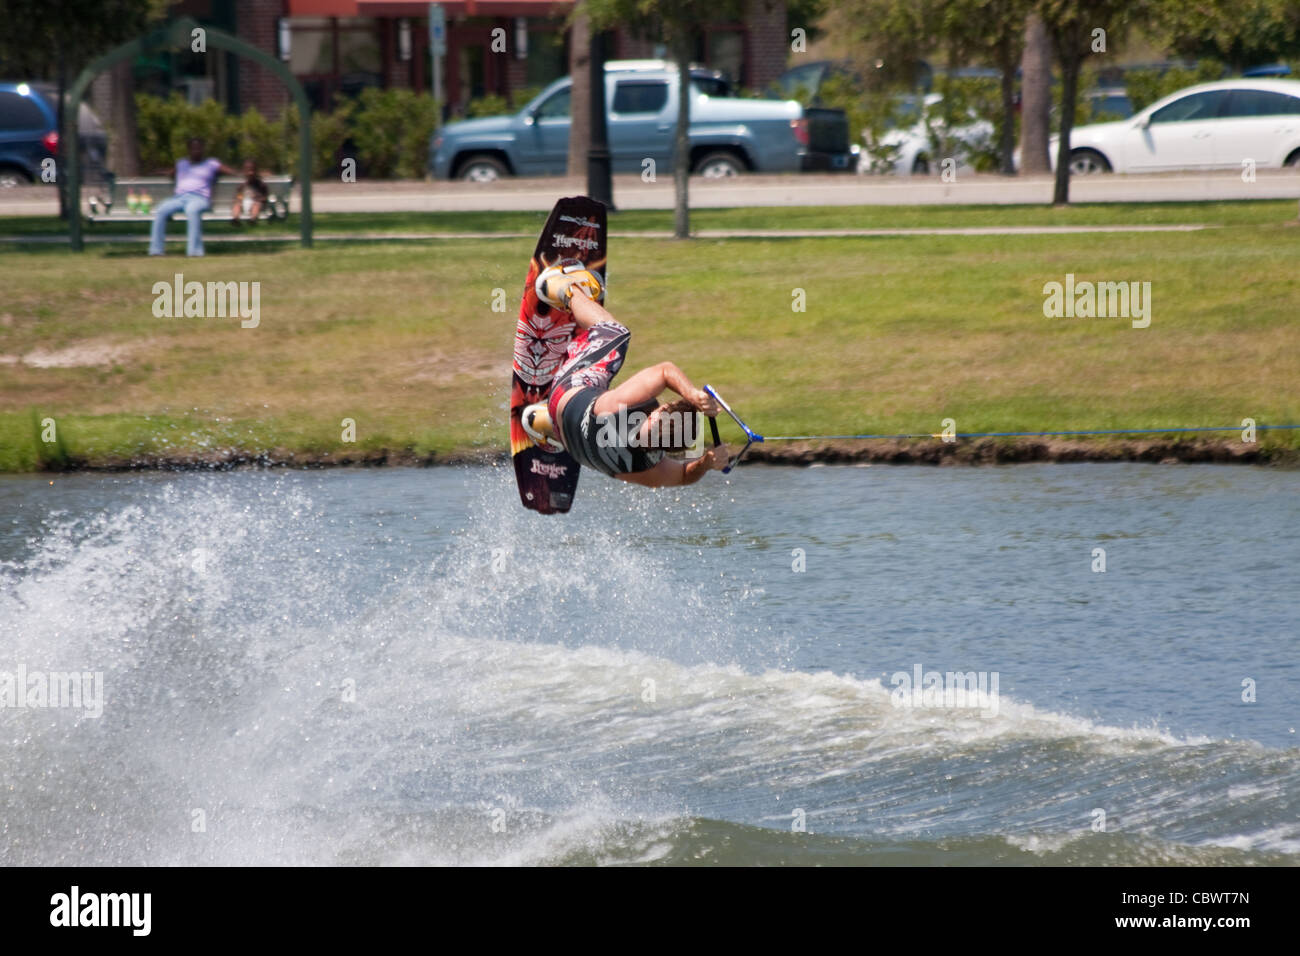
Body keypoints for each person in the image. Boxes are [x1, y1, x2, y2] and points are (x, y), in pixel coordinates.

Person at [521, 259, 732, 487]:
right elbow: (682, 476)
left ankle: (561, 288)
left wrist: (691, 394)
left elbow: (664, 371)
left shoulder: (616, 410)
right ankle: (541, 422)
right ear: (671, 447)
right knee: (590, 433)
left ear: (662, 410)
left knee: (616, 333)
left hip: (563, 393)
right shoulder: (647, 466)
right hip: (573, 444)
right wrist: (706, 463)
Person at [148, 137, 235, 257]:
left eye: (199, 148)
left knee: (192, 210)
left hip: (200, 198)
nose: (196, 151)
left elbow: (231, 172)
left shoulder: (211, 163)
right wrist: (157, 172)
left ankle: (194, 252)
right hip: (180, 198)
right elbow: (170, 173)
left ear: (203, 149)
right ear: (189, 149)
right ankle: (156, 250)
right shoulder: (181, 163)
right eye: (193, 148)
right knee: (161, 209)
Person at [230, 159, 268, 227]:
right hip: (244, 202)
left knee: (256, 205)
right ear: (244, 172)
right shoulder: (242, 184)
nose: (250, 173)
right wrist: (239, 199)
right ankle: (235, 219)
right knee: (237, 205)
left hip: (255, 203)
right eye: (247, 170)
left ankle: (252, 220)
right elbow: (239, 195)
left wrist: (259, 198)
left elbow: (265, 197)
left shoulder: (260, 184)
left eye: (252, 170)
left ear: (256, 171)